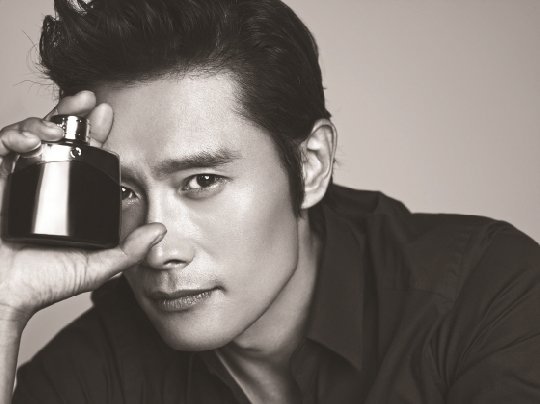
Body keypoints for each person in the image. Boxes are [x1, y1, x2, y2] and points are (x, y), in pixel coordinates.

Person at [1, 0, 539, 402]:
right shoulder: (94, 367)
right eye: (123, 191)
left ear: (311, 165)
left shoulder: (484, 292)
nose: (158, 249)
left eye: (201, 180)